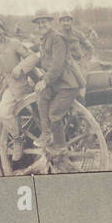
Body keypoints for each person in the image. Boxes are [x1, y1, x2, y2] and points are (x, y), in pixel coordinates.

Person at [34, 11, 86, 162]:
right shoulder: (44, 38)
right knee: (41, 96)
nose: (41, 25)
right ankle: (46, 133)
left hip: (66, 84)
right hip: (55, 83)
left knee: (54, 115)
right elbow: (44, 60)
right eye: (39, 23)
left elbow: (57, 64)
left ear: (50, 23)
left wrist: (45, 80)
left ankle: (61, 146)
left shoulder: (57, 38)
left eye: (44, 22)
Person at [0, 16, 28, 162]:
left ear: (2, 29)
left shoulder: (14, 44)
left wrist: (20, 67)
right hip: (0, 88)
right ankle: (3, 152)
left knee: (3, 113)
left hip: (16, 85)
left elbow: (32, 57)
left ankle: (18, 140)